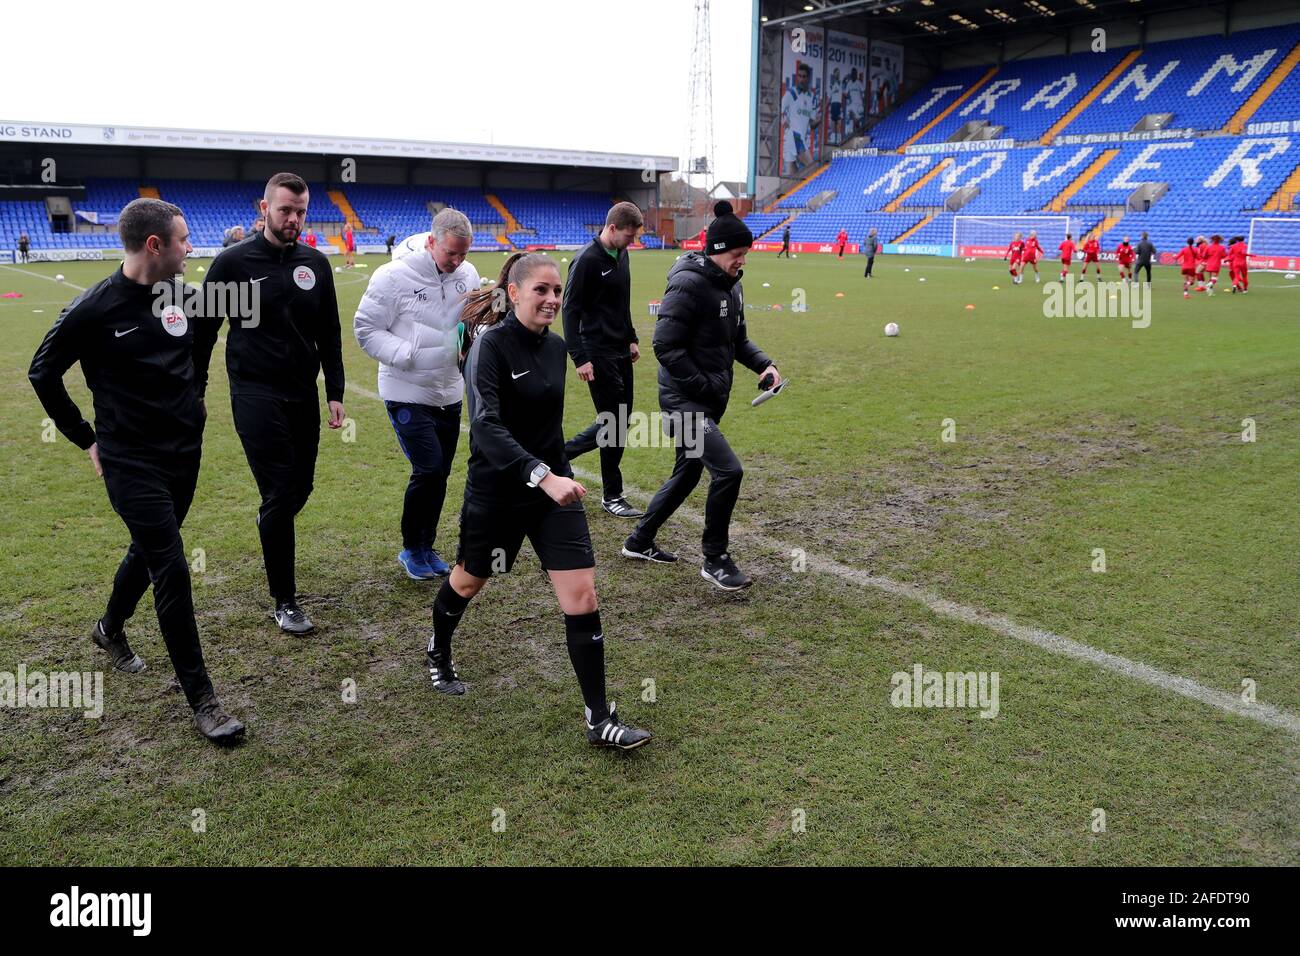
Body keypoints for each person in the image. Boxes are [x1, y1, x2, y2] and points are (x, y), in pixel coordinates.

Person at [28, 198, 244, 743]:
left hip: (183, 454)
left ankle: (108, 629)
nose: (191, 248)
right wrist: (87, 439)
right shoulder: (94, 308)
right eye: (184, 239)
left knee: (150, 551)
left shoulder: (185, 298)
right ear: (155, 245)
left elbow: (198, 350)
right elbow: (42, 372)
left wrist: (195, 399)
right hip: (129, 460)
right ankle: (205, 702)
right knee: (171, 567)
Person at [429, 251, 652, 750]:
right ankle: (439, 650)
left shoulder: (556, 350)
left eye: (557, 292)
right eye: (542, 291)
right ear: (514, 293)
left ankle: (599, 718)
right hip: (499, 492)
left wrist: (575, 448)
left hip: (554, 491)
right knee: (468, 581)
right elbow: (486, 426)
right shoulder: (490, 347)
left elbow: (544, 430)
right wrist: (537, 473)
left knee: (583, 596)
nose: (553, 300)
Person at [193, 172, 346, 635]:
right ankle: (286, 600)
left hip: (302, 392)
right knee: (281, 491)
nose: (294, 219)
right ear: (265, 208)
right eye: (285, 210)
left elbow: (330, 334)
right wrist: (194, 391)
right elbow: (203, 332)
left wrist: (334, 391)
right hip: (254, 391)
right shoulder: (233, 263)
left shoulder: (315, 264)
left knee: (300, 490)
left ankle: (270, 520)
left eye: (301, 211)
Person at [621, 201, 780, 591]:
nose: (742, 262)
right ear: (717, 249)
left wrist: (765, 365)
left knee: (688, 473)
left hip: (706, 400)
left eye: (745, 255)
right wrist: (703, 385)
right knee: (729, 471)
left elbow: (737, 340)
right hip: (683, 403)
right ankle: (715, 558)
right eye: (737, 254)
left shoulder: (733, 285)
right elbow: (664, 345)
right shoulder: (689, 283)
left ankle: (639, 540)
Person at [354, 208, 479, 580]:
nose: (457, 262)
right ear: (431, 242)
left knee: (439, 473)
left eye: (463, 254)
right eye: (450, 254)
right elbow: (365, 328)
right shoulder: (392, 277)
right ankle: (411, 548)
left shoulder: (468, 274)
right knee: (427, 469)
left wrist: (474, 340)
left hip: (449, 391)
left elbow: (467, 326)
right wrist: (406, 355)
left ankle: (426, 546)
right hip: (406, 391)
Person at [560, 201, 645, 519]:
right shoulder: (586, 260)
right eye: (628, 235)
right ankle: (611, 494)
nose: (632, 242)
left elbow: (621, 303)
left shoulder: (623, 255)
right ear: (611, 229)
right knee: (613, 422)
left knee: (620, 422)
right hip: (596, 351)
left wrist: (632, 337)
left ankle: (559, 455)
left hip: (621, 349)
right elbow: (570, 310)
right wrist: (579, 357)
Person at [781, 62, 820, 176]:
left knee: (793, 181)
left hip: (799, 139)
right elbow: (780, 109)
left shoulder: (811, 97)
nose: (801, 79)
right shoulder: (791, 93)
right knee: (813, 169)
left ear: (808, 78)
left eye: (804, 76)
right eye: (799, 76)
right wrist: (783, 121)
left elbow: (812, 125)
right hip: (794, 137)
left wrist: (819, 119)